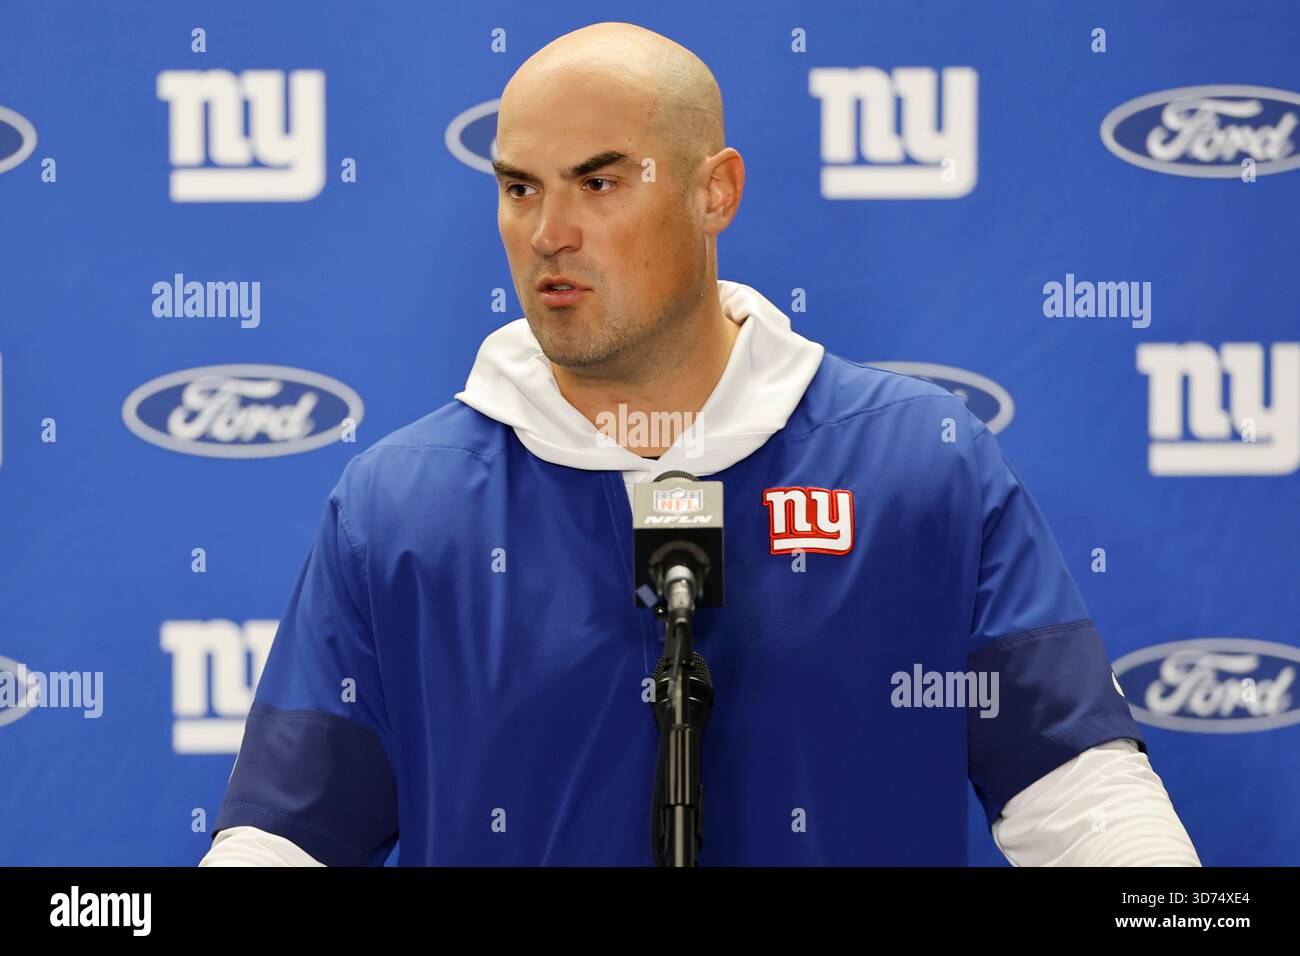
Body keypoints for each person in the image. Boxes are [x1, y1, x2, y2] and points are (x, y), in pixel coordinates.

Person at [200, 22, 1199, 866]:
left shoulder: (918, 463)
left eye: (597, 183)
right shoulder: (400, 506)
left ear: (713, 191)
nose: (548, 230)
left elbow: (1080, 800)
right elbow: (288, 838)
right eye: (518, 187)